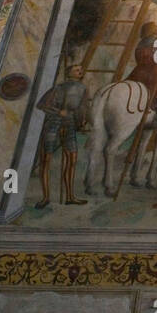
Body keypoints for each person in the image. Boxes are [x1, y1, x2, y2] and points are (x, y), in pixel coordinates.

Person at [34, 64, 90, 208]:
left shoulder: (83, 89)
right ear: (69, 73)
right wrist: (58, 112)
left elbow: (82, 107)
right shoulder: (59, 88)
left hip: (70, 123)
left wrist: (82, 120)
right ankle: (45, 197)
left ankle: (70, 196)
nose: (80, 71)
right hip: (53, 124)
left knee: (72, 158)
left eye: (81, 69)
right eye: (76, 70)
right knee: (46, 160)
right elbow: (42, 105)